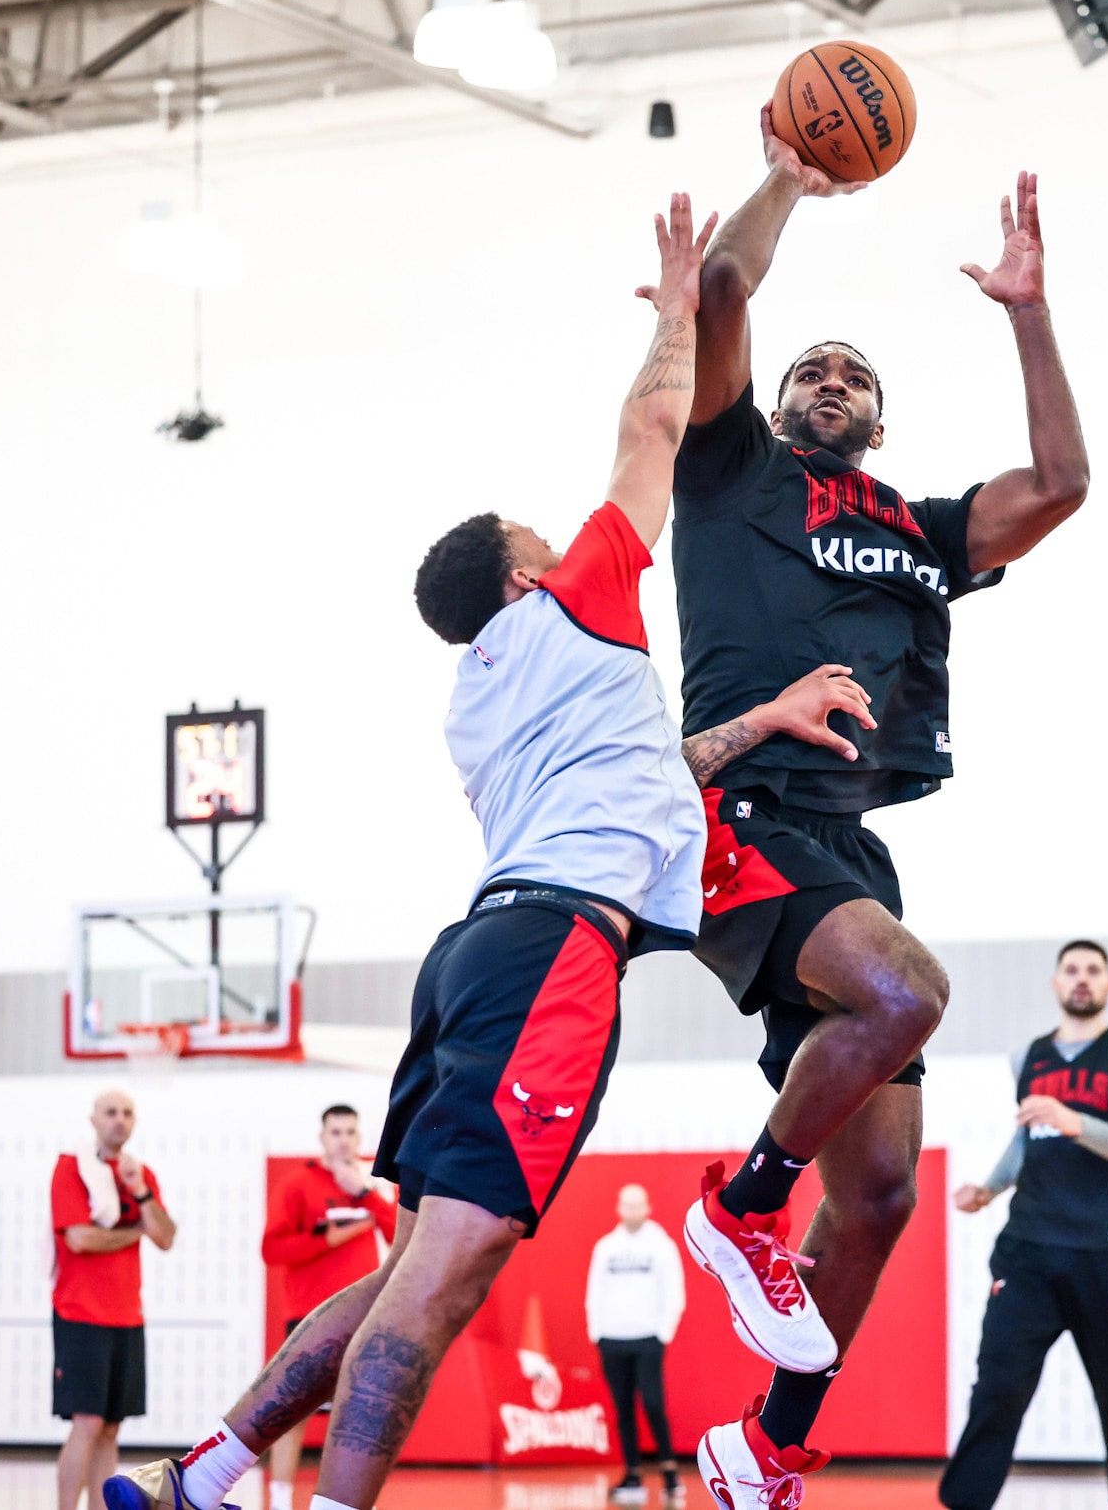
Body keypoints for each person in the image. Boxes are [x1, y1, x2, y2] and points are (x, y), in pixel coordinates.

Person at [101, 195, 859, 1510]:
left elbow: (635, 777)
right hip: (551, 958)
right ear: (523, 579)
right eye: (542, 543)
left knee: (403, 1267)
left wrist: (766, 718)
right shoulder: (578, 594)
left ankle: (203, 1470)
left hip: (477, 950)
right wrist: (681, 309)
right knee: (445, 1281)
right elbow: (649, 433)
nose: (565, 544)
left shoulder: (481, 701)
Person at [671, 111, 1089, 1510]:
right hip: (740, 799)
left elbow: (1062, 486)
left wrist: (1030, 317)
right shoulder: (732, 475)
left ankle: (771, 1443)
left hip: (849, 841)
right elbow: (723, 294)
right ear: (783, 406)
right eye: (814, 371)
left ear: (882, 416)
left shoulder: (914, 523)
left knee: (890, 1194)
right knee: (907, 993)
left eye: (855, 372)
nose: (832, 378)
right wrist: (788, 179)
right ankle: (738, 1203)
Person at [938, 940, 1108, 1510]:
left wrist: (1074, 1121)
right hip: (1028, 1253)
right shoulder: (1028, 1057)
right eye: (1072, 970)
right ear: (1055, 983)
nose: (1082, 979)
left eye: (1093, 970)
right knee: (995, 1393)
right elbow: (1026, 1139)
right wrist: (989, 1188)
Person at [53, 1089, 177, 1510]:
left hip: (127, 1315)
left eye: (127, 1113)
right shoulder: (72, 1168)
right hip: (80, 1313)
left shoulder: (140, 1175)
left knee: (110, 1428)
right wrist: (134, 1232)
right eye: (110, 1112)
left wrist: (140, 1192)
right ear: (93, 1119)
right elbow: (80, 1237)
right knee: (86, 1423)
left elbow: (165, 1236)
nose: (119, 1120)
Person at [255, 1105, 384, 1510]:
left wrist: (363, 1194)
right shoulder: (298, 1185)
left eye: (350, 1132)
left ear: (359, 1139)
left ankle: (344, 1501)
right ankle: (278, 1500)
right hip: (309, 1316)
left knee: (356, 1416)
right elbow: (271, 1249)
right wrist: (328, 1240)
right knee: (293, 1413)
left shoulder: (373, 1185)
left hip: (363, 1317)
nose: (343, 1139)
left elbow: (401, 1236)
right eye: (336, 1132)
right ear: (322, 1137)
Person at [587, 1183, 687, 1506]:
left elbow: (674, 1290)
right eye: (626, 1205)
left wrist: (663, 1332)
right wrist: (597, 1333)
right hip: (612, 1338)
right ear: (619, 1208)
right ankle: (632, 1474)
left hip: (647, 1337)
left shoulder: (661, 1246)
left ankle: (670, 1472)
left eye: (637, 1205)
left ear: (647, 1207)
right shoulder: (606, 1247)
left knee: (654, 1404)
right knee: (623, 1408)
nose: (632, 1211)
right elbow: (594, 1292)